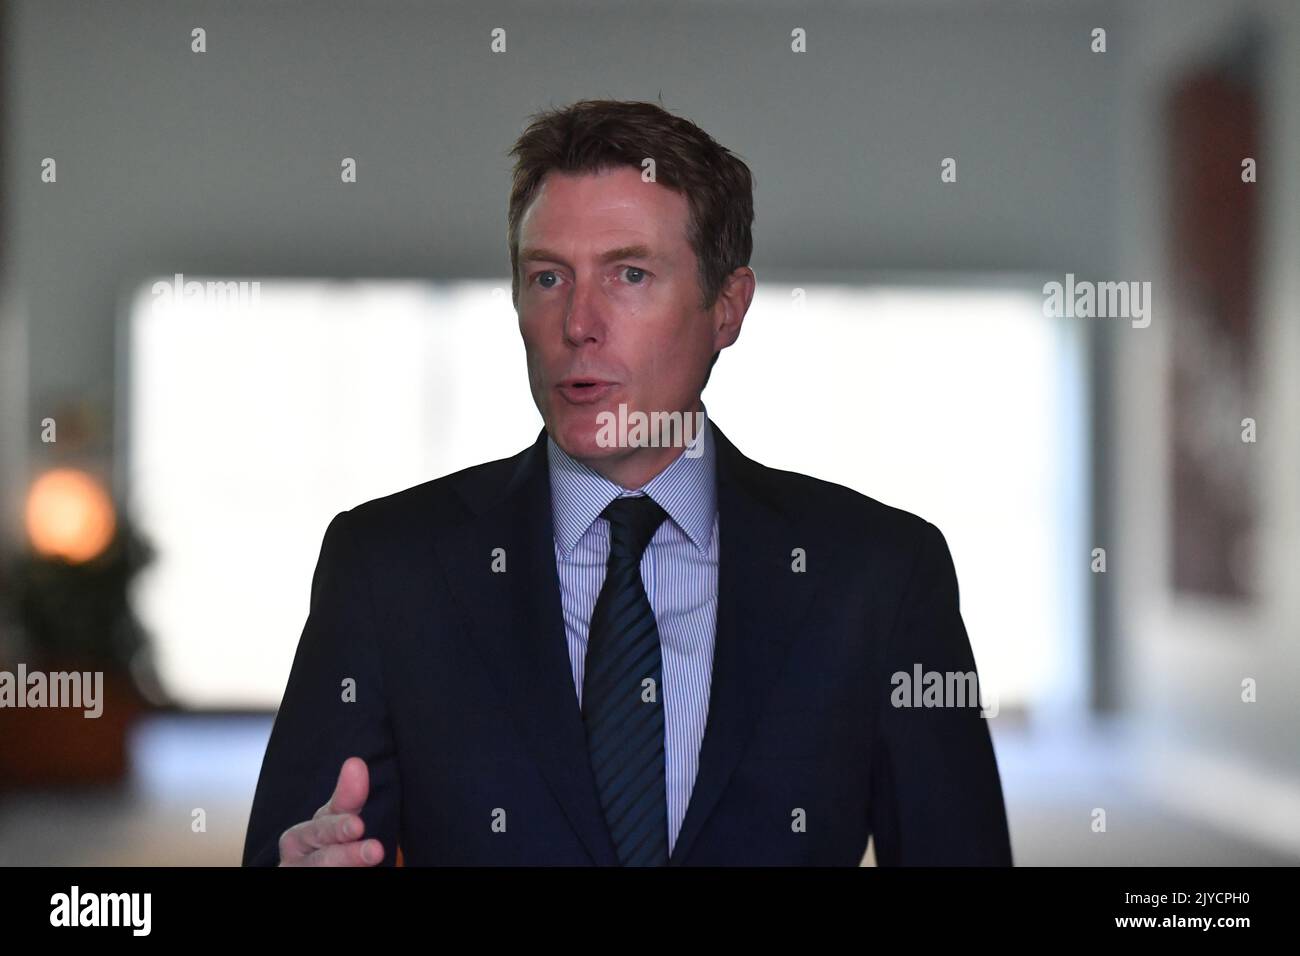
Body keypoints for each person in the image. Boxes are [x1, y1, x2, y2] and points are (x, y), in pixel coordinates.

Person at [242, 99, 1012, 867]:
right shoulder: (386, 568)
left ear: (728, 307)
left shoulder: (879, 576)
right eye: (548, 277)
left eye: (630, 274)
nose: (579, 321)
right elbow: (297, 846)